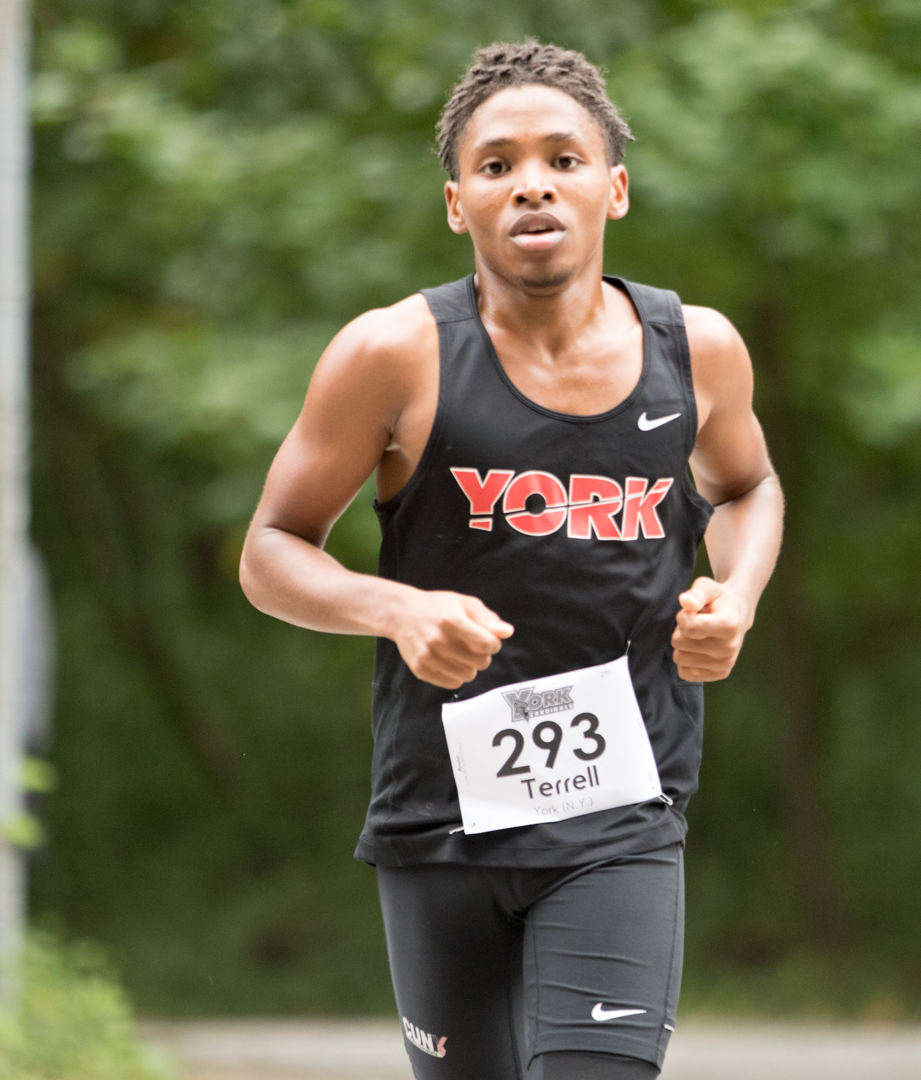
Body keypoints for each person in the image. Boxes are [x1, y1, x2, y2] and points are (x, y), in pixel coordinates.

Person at [239, 41, 781, 1080]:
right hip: (442, 813)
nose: (531, 181)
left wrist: (737, 594)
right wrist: (394, 611)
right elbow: (271, 550)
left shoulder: (697, 348)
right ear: (458, 205)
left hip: (622, 810)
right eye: (496, 165)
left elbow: (748, 486)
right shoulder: (392, 355)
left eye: (562, 159)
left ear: (612, 188)